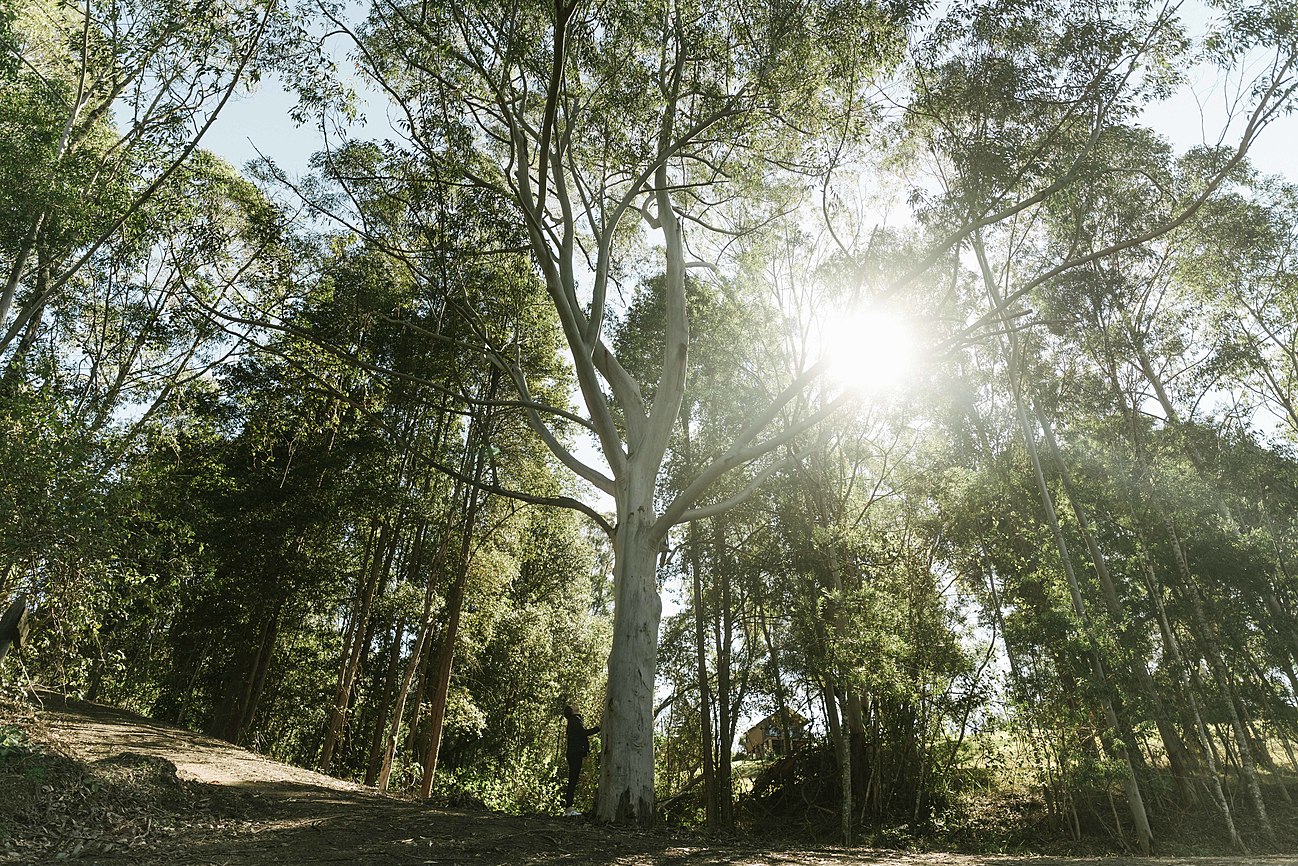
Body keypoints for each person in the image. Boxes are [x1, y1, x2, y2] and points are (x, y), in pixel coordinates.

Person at [562, 703, 599, 816]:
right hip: (575, 754)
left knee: (573, 779)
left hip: (573, 753)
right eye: (572, 706)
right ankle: (569, 808)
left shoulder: (574, 720)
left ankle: (569, 807)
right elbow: (583, 733)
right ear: (572, 711)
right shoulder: (574, 720)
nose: (574, 705)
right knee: (573, 779)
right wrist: (598, 728)